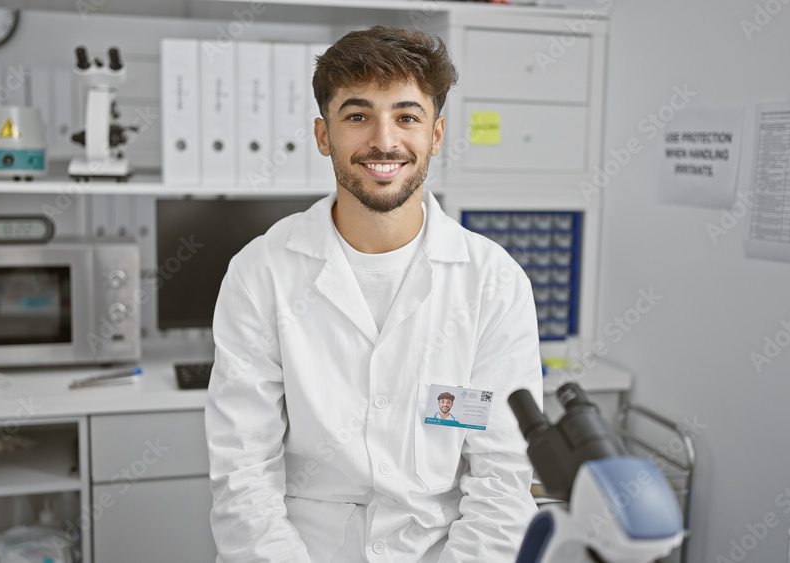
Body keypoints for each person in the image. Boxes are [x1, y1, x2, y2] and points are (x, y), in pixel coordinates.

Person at [206, 26, 543, 563]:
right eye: (358, 116)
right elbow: (243, 472)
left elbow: (502, 480)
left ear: (436, 135)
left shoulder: (493, 283)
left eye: (407, 117)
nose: (384, 141)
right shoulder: (260, 272)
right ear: (323, 136)